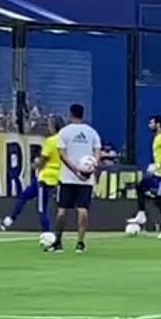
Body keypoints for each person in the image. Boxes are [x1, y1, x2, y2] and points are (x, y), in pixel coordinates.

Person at [0, 116, 62, 234]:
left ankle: (48, 234)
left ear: (53, 126)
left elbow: (43, 160)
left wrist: (36, 164)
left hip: (46, 178)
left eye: (50, 125)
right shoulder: (64, 140)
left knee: (41, 208)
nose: (48, 127)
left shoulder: (51, 141)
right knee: (25, 196)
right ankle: (9, 220)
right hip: (54, 176)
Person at [52, 103, 101, 254]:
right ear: (83, 114)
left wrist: (75, 171)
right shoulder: (92, 132)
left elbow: (62, 155)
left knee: (62, 210)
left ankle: (58, 242)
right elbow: (97, 152)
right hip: (86, 179)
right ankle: (80, 243)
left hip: (68, 178)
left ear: (70, 114)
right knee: (83, 209)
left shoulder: (64, 132)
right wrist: (91, 168)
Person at [128, 115, 161, 239]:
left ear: (158, 124)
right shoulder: (156, 138)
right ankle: (141, 214)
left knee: (159, 199)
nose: (150, 125)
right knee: (140, 187)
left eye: (152, 123)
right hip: (156, 173)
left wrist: (158, 166)